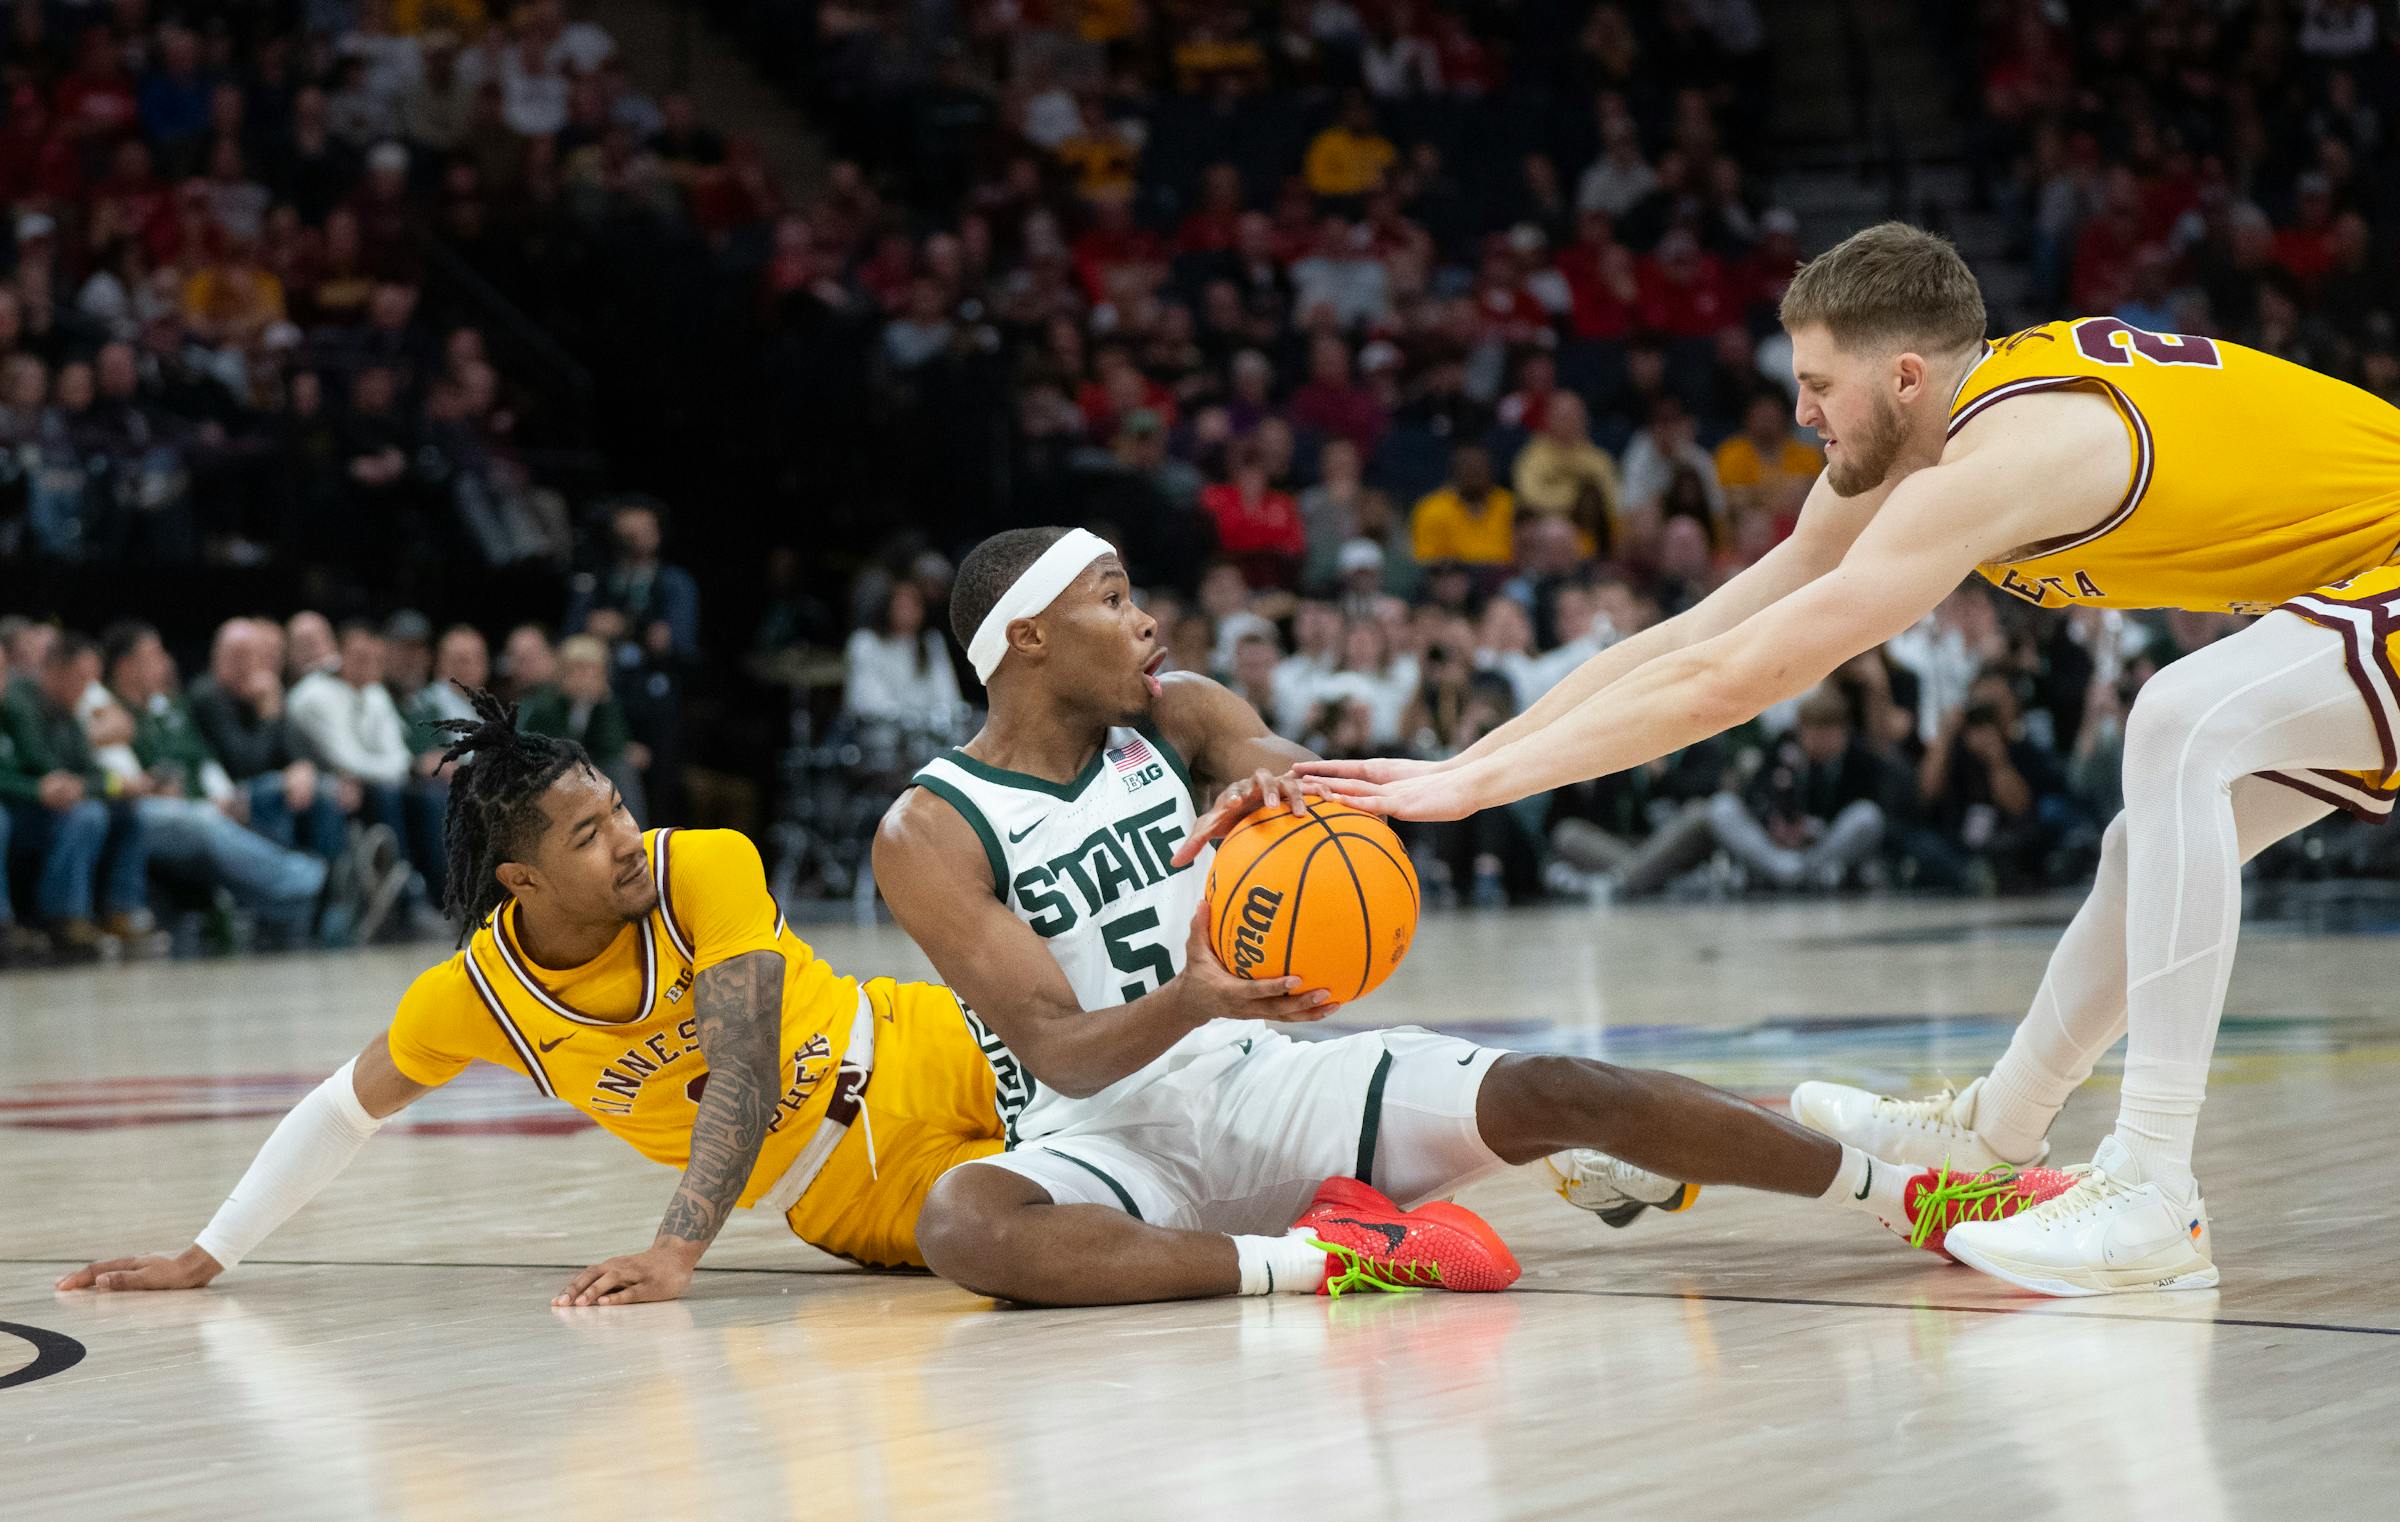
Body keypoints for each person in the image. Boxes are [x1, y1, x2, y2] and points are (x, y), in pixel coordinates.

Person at [1295, 221, 2400, 1296]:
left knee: (2179, 721)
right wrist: (1463, 758)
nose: (1798, 410)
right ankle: (1996, 1137)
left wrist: (1477, 792)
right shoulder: (1916, 451)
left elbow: (1740, 681)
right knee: (2144, 840)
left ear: (1907, 377)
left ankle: (2155, 1188)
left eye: (1819, 382)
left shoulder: (2001, 457)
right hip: (2357, 584)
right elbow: (1697, 635)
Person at [870, 527, 2046, 1307]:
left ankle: (1916, 1200)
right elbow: (1058, 1053)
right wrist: (1189, 995)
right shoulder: (932, 827)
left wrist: (1274, 780)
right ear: (1024, 637)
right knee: (967, 1220)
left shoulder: (1167, 710)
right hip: (1107, 1138)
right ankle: (1333, 1256)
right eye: (1113, 600)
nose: (1145, 621)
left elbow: (1261, 747)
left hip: (1255, 1077)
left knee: (1559, 1088)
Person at [55, 691, 1011, 1302]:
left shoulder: (704, 866)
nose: (628, 837)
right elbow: (343, 1111)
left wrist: (675, 1249)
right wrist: (206, 1253)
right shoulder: (479, 997)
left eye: (618, 808)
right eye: (588, 835)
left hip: (934, 1049)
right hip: (847, 1197)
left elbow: (746, 1066)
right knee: (1060, 1235)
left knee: (1152, 1119)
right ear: (522, 881)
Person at [102, 622, 331, 944]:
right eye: (153, 655)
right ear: (125, 666)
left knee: (284, 792)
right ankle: (312, 881)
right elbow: (118, 777)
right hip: (146, 811)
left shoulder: (168, 708)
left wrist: (223, 794)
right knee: (205, 820)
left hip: (199, 802)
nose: (165, 661)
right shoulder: (108, 710)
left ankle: (284, 913)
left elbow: (203, 760)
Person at [0, 633, 159, 957]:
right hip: (21, 807)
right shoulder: (20, 705)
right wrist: (38, 789)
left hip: (40, 804)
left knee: (128, 811)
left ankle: (120, 910)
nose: (88, 690)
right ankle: (57, 919)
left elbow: (81, 770)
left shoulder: (66, 712)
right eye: (81, 678)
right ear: (54, 670)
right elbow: (42, 766)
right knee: (84, 815)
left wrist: (119, 784)